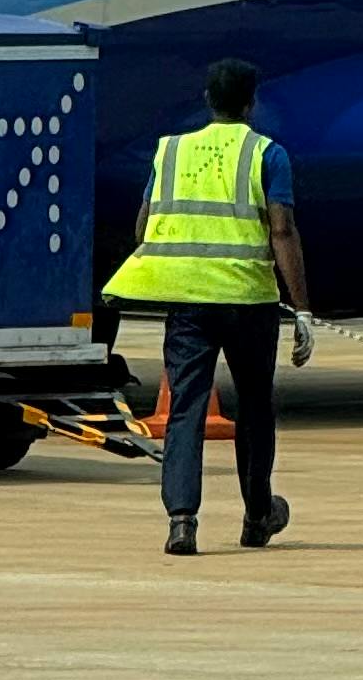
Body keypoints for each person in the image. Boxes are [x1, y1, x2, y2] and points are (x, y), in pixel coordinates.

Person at [106, 57, 313, 557]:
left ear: (207, 100)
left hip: (189, 304)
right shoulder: (268, 154)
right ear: (251, 102)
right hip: (248, 301)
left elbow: (143, 227)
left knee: (186, 410)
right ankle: (257, 514)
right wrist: (302, 309)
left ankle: (182, 521)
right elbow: (281, 229)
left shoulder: (171, 153)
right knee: (256, 407)